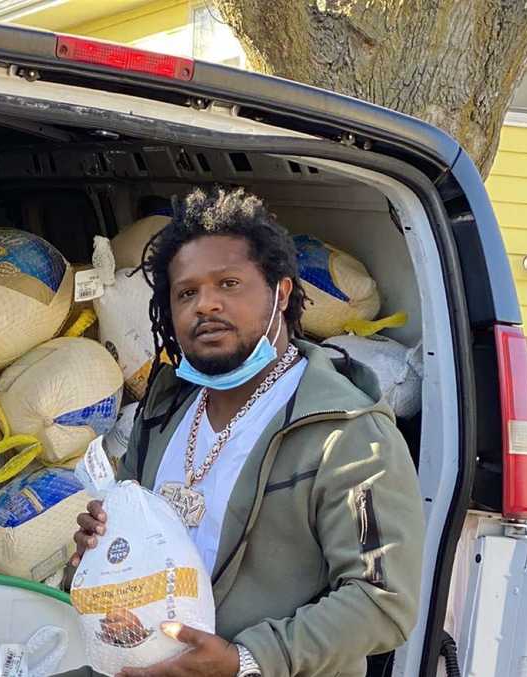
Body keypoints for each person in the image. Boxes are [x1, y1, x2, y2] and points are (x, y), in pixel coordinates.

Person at [67, 187, 426, 677]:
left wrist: (244, 661)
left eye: (229, 283)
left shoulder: (347, 433)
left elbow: (382, 599)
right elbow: (143, 555)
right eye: (186, 292)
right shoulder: (163, 410)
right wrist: (104, 551)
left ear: (280, 292)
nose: (205, 305)